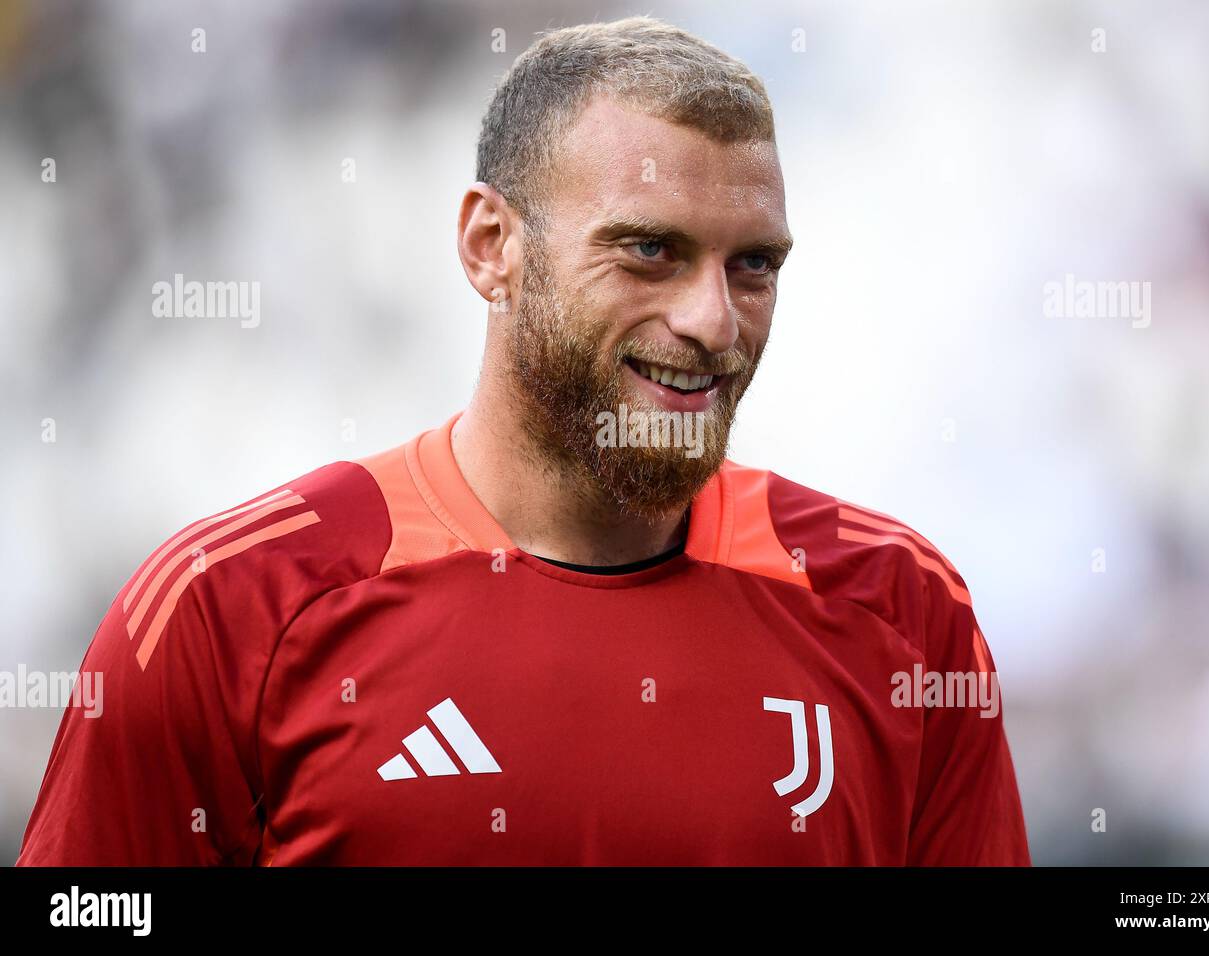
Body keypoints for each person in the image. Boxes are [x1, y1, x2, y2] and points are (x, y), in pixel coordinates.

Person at [17, 16, 1030, 865]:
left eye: (753, 264)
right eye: (649, 250)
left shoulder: (899, 611)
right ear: (489, 246)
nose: (714, 321)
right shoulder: (226, 612)